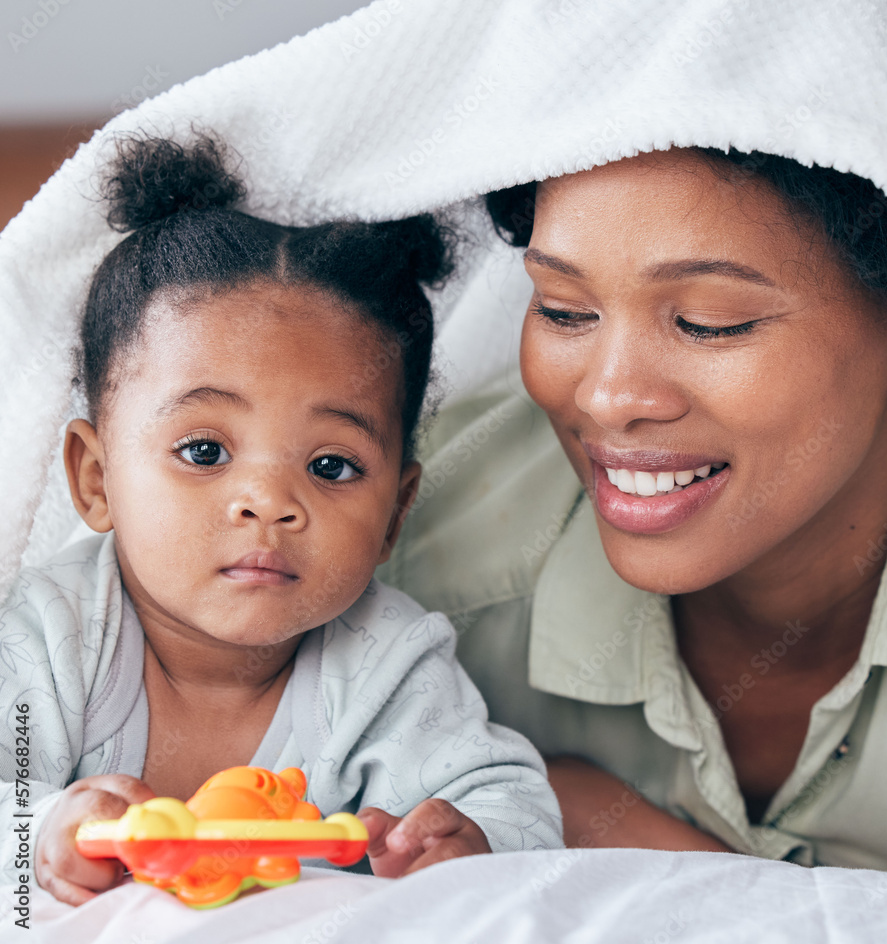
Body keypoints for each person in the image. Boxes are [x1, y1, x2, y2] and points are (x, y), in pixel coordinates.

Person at [378, 144, 887, 880]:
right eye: (563, 310)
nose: (607, 397)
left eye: (709, 323)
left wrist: (593, 820)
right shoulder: (390, 538)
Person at [0, 135, 562, 906]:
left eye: (331, 466)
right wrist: (41, 838)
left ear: (394, 514)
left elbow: (513, 803)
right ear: (96, 480)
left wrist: (472, 845)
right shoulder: (49, 637)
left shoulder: (382, 662)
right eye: (204, 451)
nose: (268, 501)